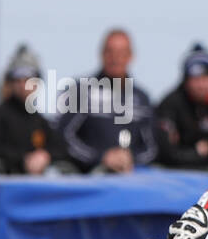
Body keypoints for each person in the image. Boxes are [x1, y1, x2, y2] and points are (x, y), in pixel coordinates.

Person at [57, 28, 157, 173]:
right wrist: (101, 158)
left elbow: (152, 147)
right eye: (110, 52)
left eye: (121, 53)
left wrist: (130, 159)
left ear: (130, 56)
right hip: (90, 179)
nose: (115, 58)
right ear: (102, 54)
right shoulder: (81, 91)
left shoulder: (141, 98)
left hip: (132, 180)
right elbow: (63, 137)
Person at [0, 44, 53, 175]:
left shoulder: (39, 120)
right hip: (4, 186)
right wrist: (23, 159)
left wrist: (46, 155)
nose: (23, 85)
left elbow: (61, 147)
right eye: (18, 79)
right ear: (10, 83)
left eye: (28, 79)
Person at [155, 42, 208, 169]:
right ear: (186, 80)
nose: (201, 85)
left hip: (204, 177)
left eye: (205, 79)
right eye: (196, 79)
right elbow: (167, 154)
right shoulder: (170, 104)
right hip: (171, 177)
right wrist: (196, 153)